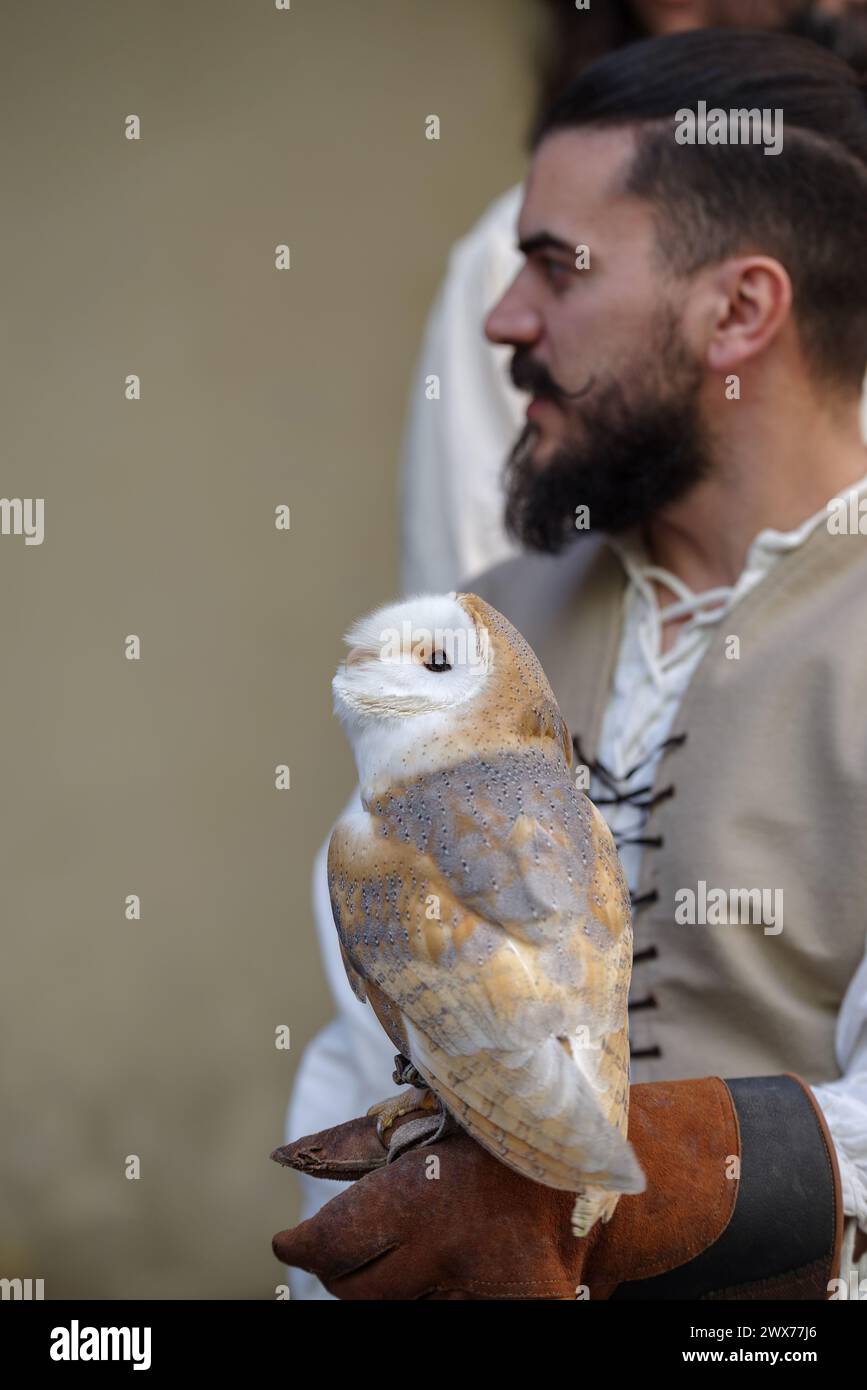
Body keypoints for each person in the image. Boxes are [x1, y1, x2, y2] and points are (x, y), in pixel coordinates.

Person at [275, 28, 867, 1298]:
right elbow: (351, 1042)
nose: (502, 319)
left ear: (741, 311)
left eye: (554, 266)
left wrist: (653, 1180)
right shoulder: (471, 638)